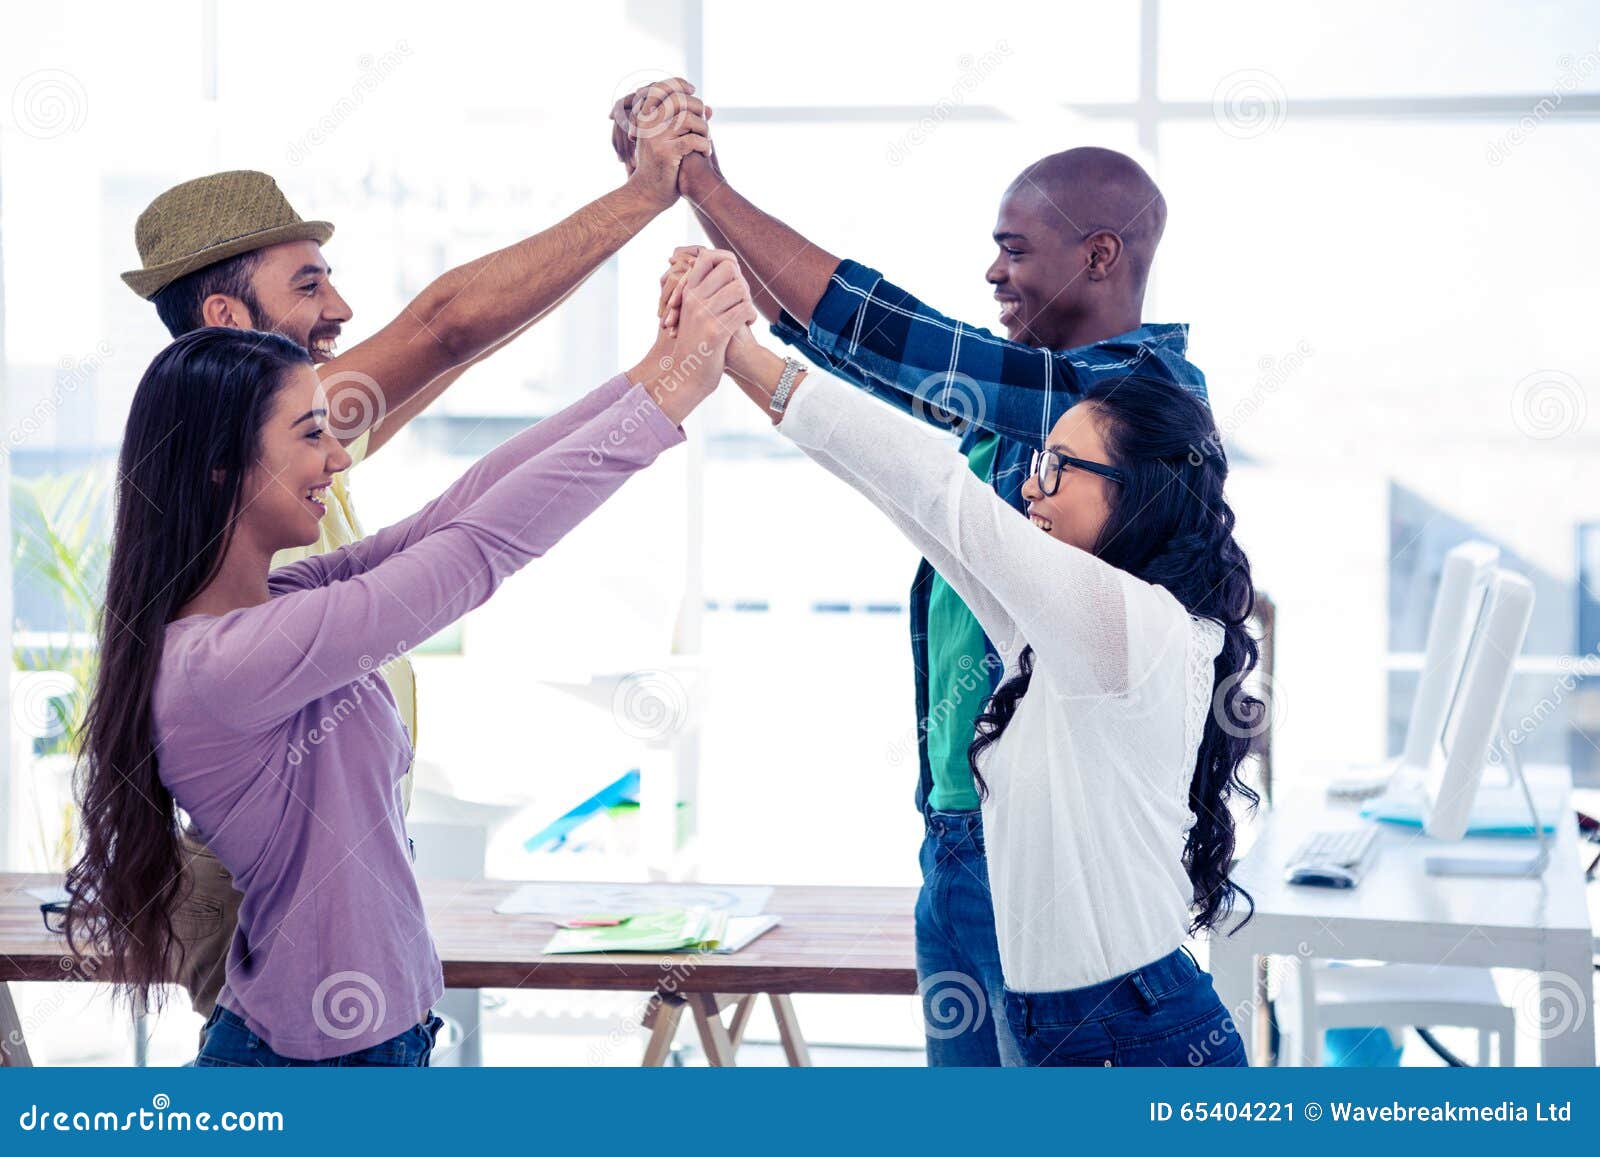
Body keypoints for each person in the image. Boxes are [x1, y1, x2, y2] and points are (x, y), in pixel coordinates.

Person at [615, 81, 1208, 1065]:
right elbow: (860, 368)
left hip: (1046, 849)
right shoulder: (1024, 397)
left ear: (1100, 254)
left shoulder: (1131, 396)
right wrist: (685, 206)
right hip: (957, 831)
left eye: (1014, 249)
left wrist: (699, 179)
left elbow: (895, 335)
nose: (992, 270)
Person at [63, 250, 756, 1065]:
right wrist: (677, 390)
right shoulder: (222, 661)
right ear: (223, 469)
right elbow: (473, 553)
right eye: (311, 434)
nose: (339, 456)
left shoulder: (274, 607)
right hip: (315, 1063)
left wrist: (652, 377)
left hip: (369, 1042)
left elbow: (453, 514)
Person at [120, 79, 712, 1016]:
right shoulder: (246, 440)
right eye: (308, 284)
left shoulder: (281, 438)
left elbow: (449, 506)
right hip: (268, 894)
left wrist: (656, 374)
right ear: (228, 322)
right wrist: (647, 193)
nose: (342, 308)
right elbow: (446, 332)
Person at [687, 257, 1259, 1067]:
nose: (1032, 486)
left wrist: (745, 351)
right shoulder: (1060, 638)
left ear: (1139, 494)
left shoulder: (1135, 629)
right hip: (1082, 1027)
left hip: (1133, 1039)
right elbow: (916, 512)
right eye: (1037, 461)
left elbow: (937, 492)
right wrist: (732, 355)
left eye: (1059, 467)